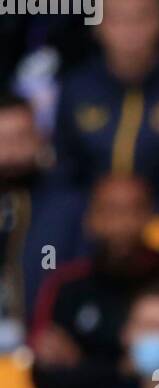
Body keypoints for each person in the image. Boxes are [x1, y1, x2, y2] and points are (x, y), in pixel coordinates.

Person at [29, 173, 159, 388]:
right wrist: (123, 369)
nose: (122, 223)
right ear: (90, 219)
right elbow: (48, 376)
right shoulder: (65, 284)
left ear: (151, 216)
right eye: (109, 211)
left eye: (134, 210)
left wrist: (84, 366)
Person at [51, 0, 159, 252]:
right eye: (117, 19)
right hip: (86, 232)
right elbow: (62, 170)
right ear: (97, 26)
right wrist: (96, 219)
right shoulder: (77, 88)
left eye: (141, 19)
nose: (130, 31)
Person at [0, 92, 82, 352]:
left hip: (45, 349)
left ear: (41, 137)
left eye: (20, 138)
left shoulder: (72, 205)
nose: (10, 152)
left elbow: (83, 279)